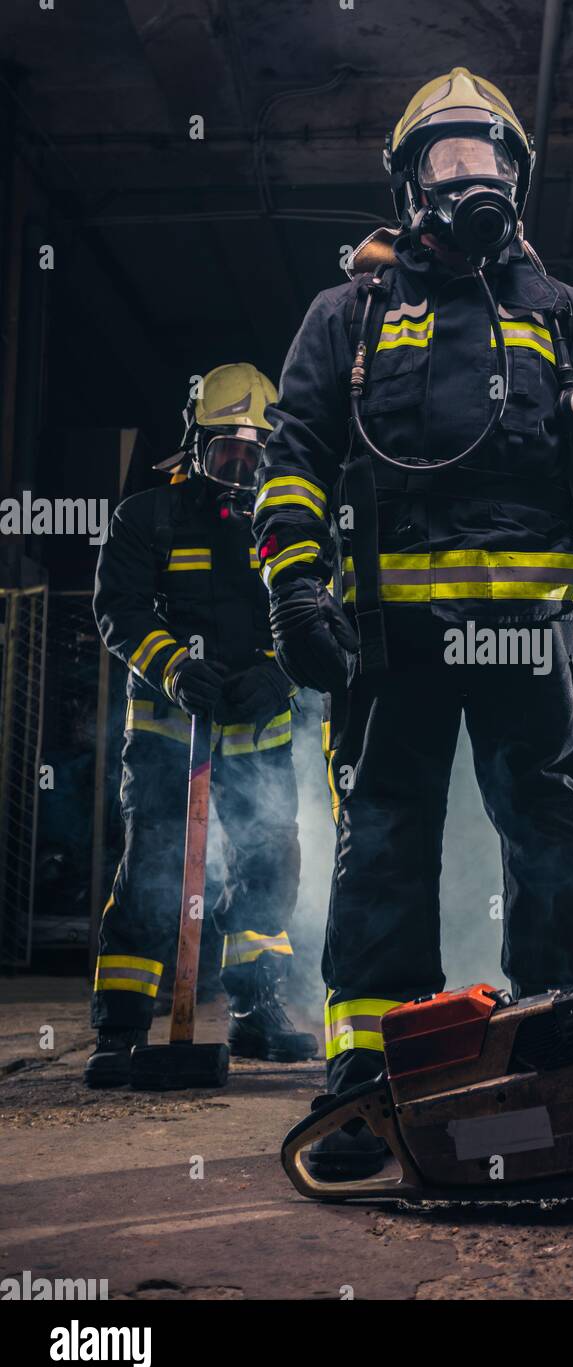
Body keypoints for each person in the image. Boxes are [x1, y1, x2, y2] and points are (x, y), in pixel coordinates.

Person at [252, 68, 573, 1175]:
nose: (469, 176)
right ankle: (365, 1083)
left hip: (537, 640)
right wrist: (296, 583)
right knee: (383, 845)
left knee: (557, 846)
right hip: (391, 642)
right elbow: (292, 451)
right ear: (408, 185)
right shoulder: (347, 317)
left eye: (487, 157)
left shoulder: (564, 314)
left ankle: (556, 1077)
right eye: (445, 160)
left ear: (517, 180)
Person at [87, 363, 317, 1087]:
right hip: (166, 736)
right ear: (195, 445)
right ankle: (121, 1029)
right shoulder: (147, 517)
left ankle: (256, 1012)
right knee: (153, 870)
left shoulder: (290, 525)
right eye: (226, 453)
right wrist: (174, 668)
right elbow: (120, 612)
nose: (240, 469)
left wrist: (279, 671)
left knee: (266, 870)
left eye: (253, 455)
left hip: (260, 740)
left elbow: (318, 609)